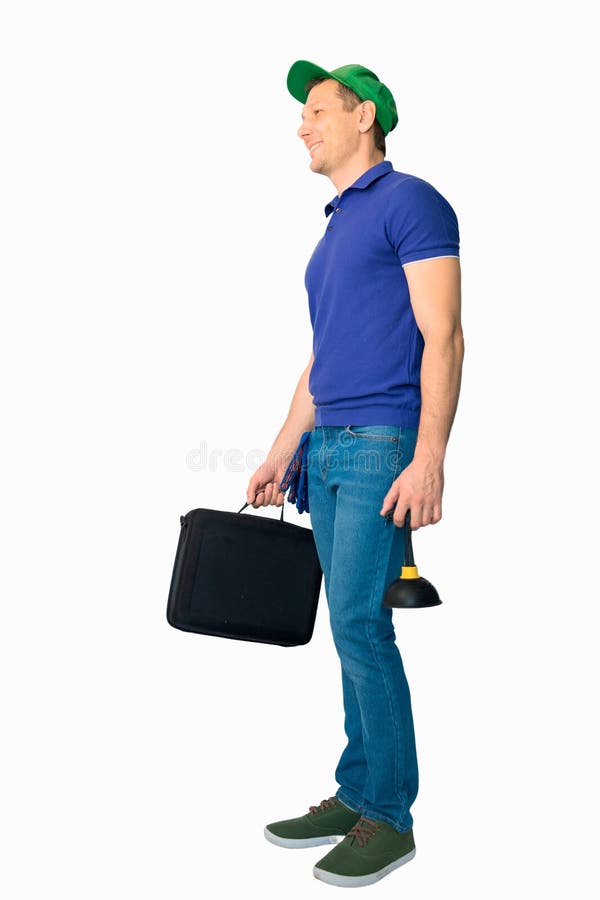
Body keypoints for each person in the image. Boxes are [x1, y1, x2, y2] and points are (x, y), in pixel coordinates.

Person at [246, 60, 464, 888]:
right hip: (328, 447)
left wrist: (429, 457)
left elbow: (443, 335)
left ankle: (390, 817)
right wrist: (278, 451)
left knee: (363, 630)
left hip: (380, 441)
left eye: (317, 110)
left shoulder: (411, 202)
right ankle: (357, 791)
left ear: (364, 115)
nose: (303, 125)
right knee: (348, 630)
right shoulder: (337, 225)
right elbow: (320, 358)